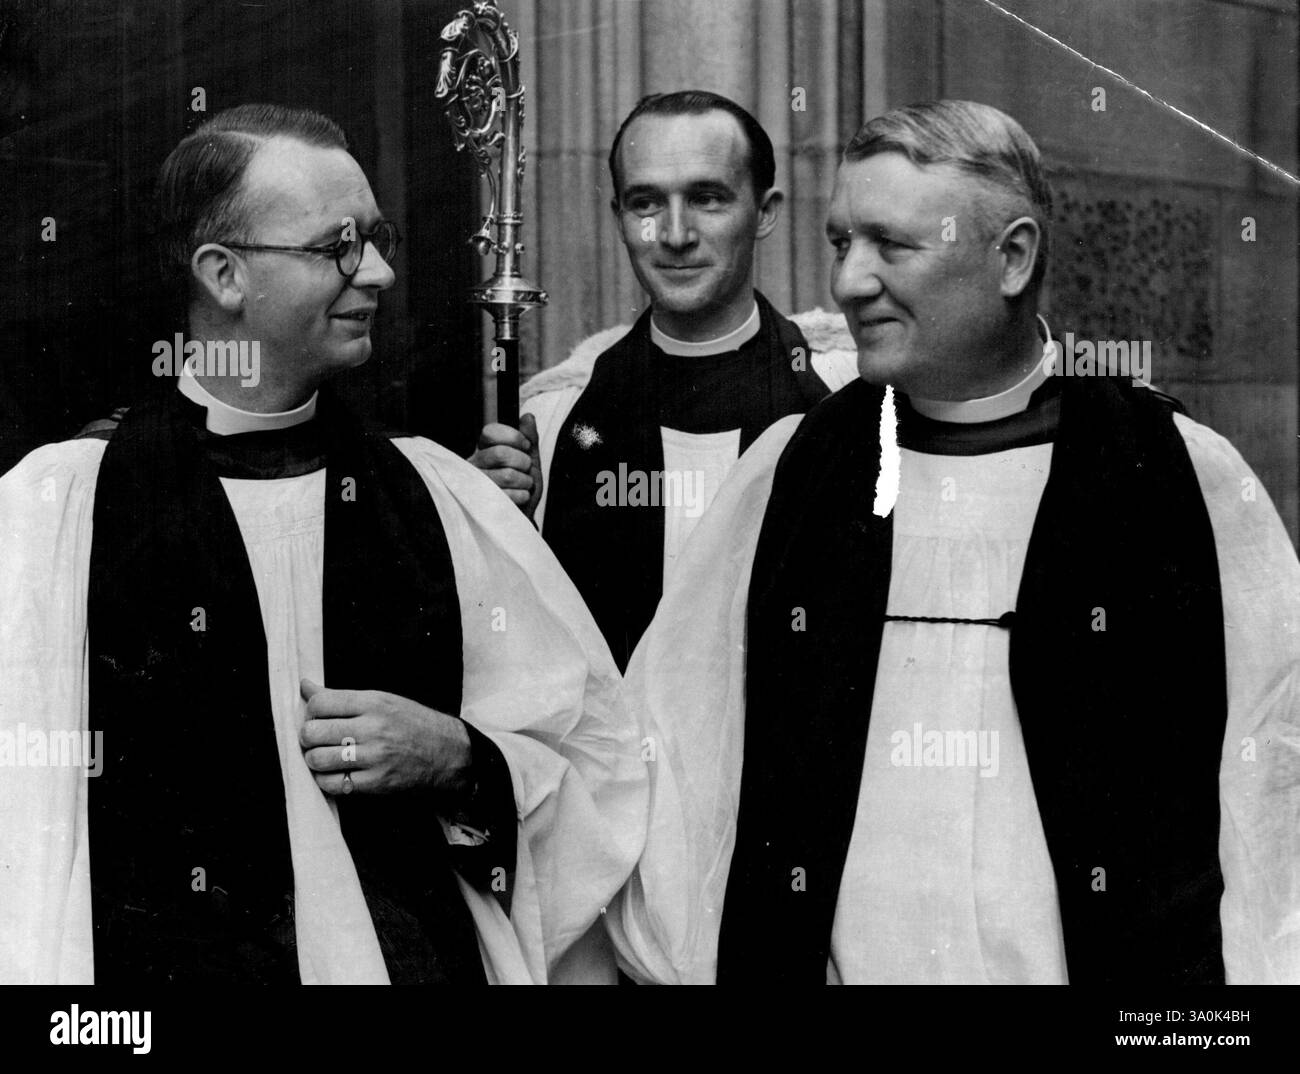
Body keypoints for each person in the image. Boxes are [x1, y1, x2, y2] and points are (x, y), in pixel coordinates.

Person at [605, 100, 1300, 985]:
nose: (849, 282)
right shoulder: (796, 468)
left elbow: (1276, 781)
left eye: (891, 246)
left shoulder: (1177, 474)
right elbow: (670, 748)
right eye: (839, 243)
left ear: (1012, 257)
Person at [0, 104, 646, 985]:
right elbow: (23, 837)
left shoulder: (434, 496)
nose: (376, 270)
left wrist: (459, 757)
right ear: (224, 275)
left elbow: (591, 760)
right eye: (336, 247)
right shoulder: (60, 508)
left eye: (377, 239)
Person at [470, 90, 858, 671]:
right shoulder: (556, 421)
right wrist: (485, 522)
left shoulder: (844, 397)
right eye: (646, 203)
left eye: (707, 198)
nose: (675, 234)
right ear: (619, 218)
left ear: (766, 210)